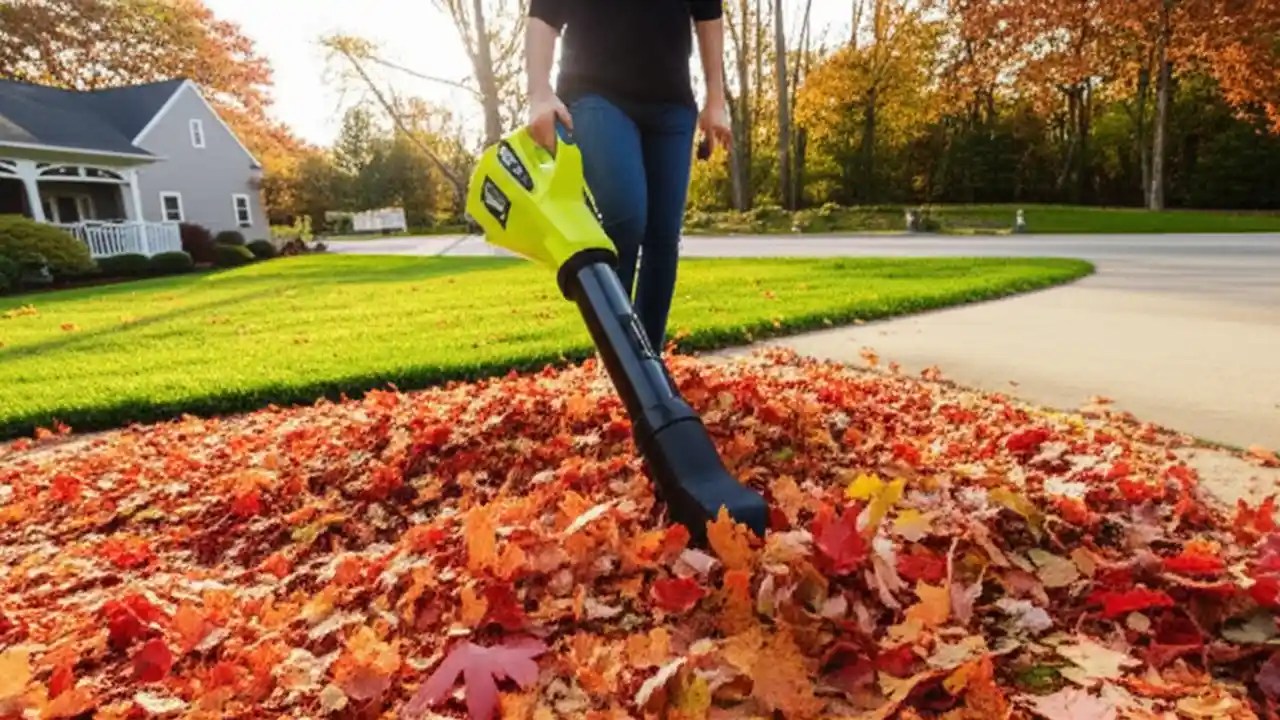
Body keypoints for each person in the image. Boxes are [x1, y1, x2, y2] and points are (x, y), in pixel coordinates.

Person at [524, 0, 733, 353]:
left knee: (663, 237)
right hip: (594, 92)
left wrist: (716, 98)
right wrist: (539, 93)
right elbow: (544, 16)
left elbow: (709, 13)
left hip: (671, 103)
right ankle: (619, 359)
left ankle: (646, 365)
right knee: (626, 217)